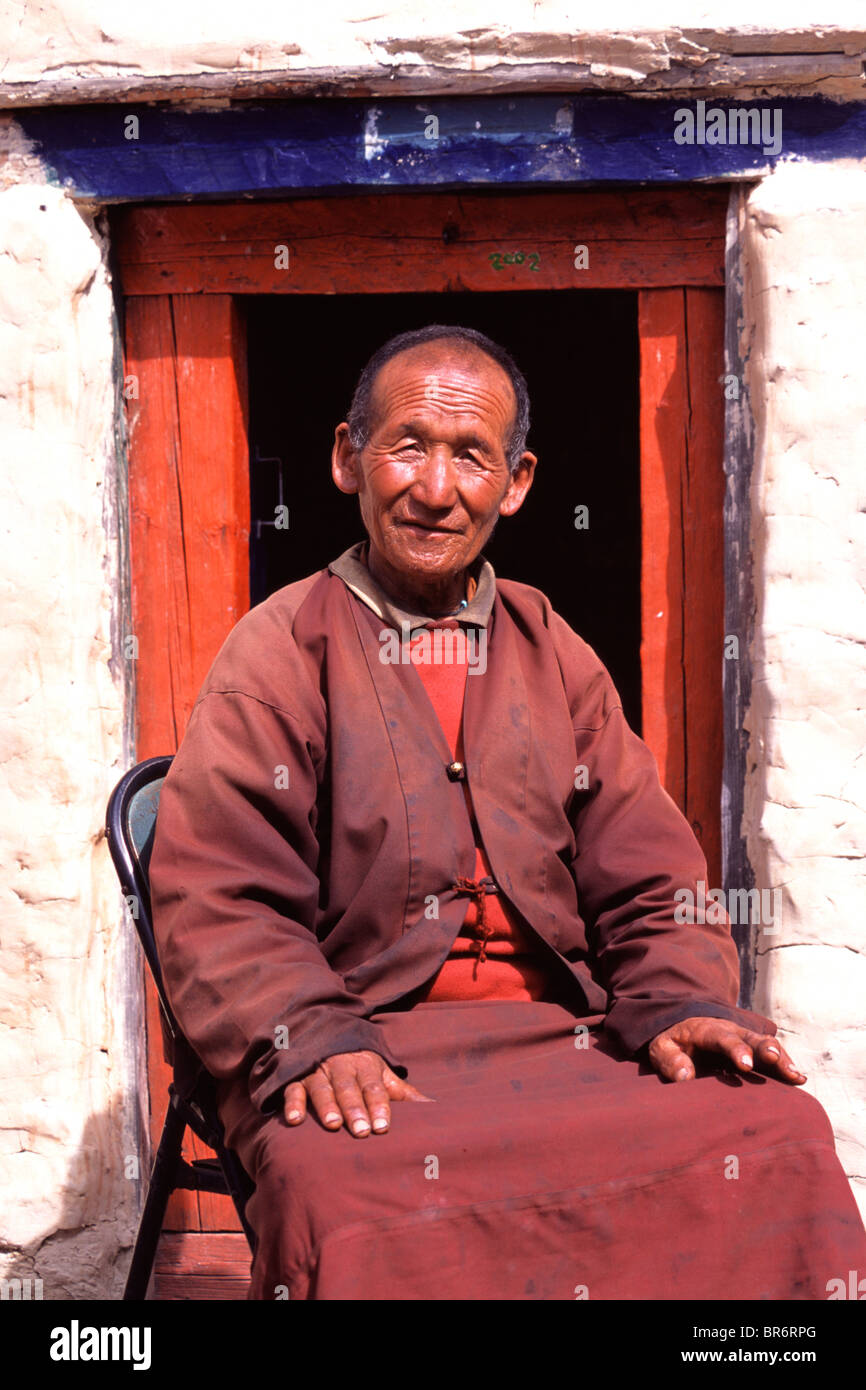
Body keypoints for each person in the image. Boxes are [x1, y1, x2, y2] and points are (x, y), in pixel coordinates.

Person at [149, 324, 866, 1300]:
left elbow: (649, 874)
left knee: (773, 1129)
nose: (435, 490)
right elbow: (220, 894)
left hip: (560, 1038)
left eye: (470, 456)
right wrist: (308, 1035)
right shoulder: (278, 651)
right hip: (365, 1040)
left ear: (517, 482)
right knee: (340, 1180)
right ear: (344, 457)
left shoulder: (551, 649)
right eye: (406, 445)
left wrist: (679, 1000)